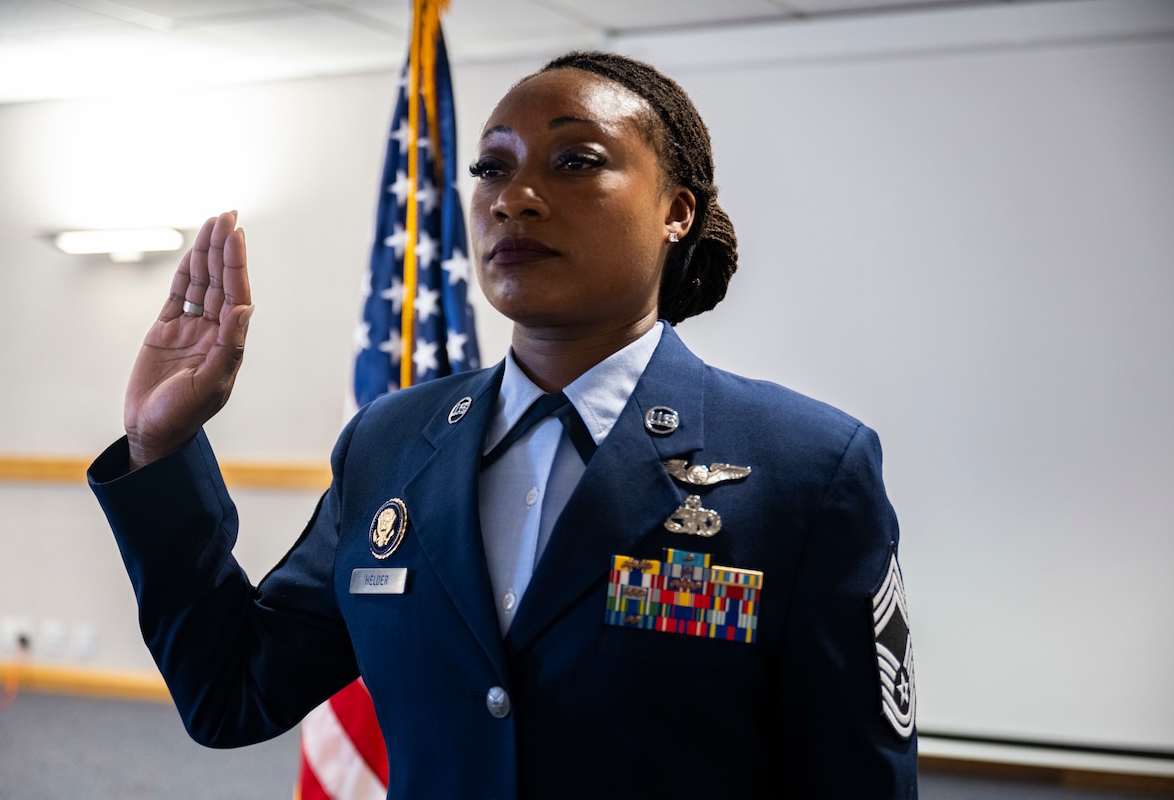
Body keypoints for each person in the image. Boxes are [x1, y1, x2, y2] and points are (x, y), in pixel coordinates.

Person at [89, 51, 918, 798]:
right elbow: (235, 691)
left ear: (677, 210)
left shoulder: (806, 466)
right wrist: (162, 448)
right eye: (491, 167)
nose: (514, 197)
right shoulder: (390, 442)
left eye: (576, 161)